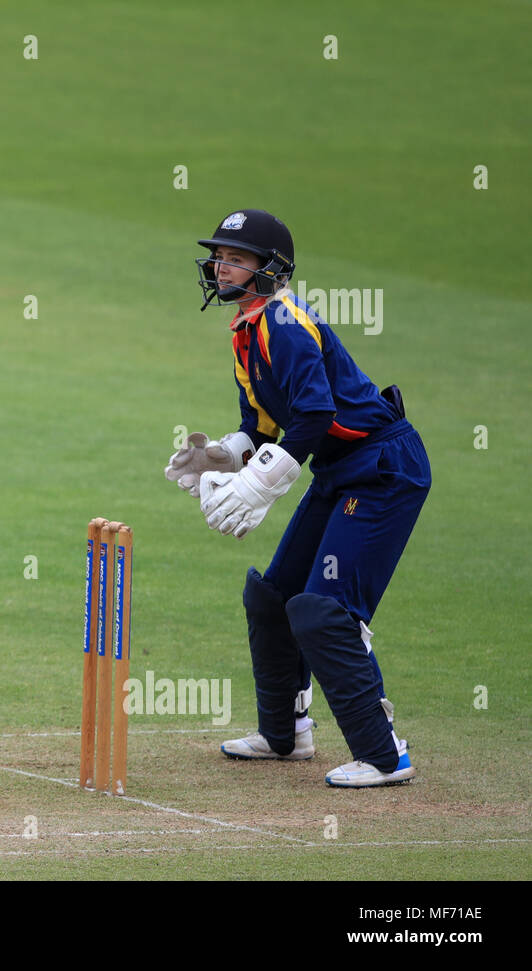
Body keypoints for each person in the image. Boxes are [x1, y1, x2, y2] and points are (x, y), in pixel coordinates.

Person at [165, 209, 430, 787]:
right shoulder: (247, 329)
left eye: (237, 258)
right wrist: (223, 455)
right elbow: (262, 426)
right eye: (220, 257)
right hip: (340, 471)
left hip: (383, 469)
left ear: (271, 269)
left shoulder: (286, 324)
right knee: (271, 597)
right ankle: (285, 735)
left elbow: (316, 416)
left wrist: (261, 484)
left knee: (323, 612)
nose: (222, 266)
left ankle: (386, 755)